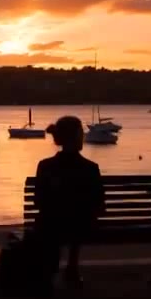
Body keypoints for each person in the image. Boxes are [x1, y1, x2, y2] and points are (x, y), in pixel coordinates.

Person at [33, 116, 104, 287]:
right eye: (81, 133)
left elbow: (38, 201)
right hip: (82, 225)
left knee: (54, 220)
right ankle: (72, 268)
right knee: (78, 219)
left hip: (51, 224)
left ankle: (50, 269)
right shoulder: (90, 168)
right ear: (77, 137)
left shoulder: (45, 166)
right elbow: (99, 204)